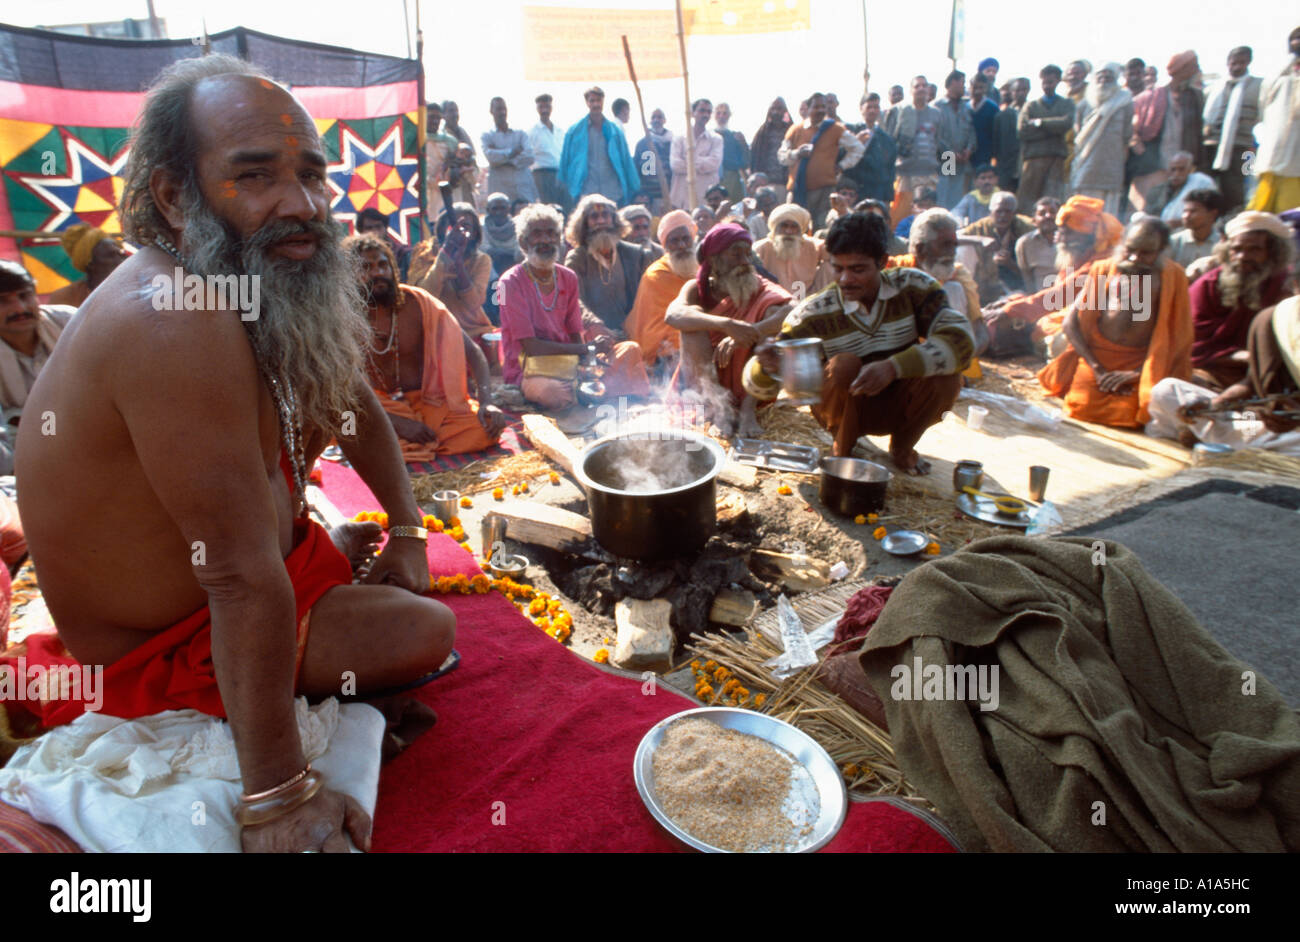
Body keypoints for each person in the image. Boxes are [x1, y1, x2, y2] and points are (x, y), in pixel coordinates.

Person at [16, 55, 455, 853]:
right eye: (256, 177)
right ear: (176, 196)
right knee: (422, 632)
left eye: (312, 175)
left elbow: (349, 403)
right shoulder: (172, 313)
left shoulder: (243, 282)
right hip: (161, 646)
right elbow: (235, 575)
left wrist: (411, 530)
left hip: (239, 574)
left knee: (398, 602)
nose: (302, 205)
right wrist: (280, 800)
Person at [745, 212, 972, 473]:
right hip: (844, 409)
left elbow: (961, 342)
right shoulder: (812, 313)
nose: (845, 280)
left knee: (948, 378)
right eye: (837, 268)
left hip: (901, 402)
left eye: (858, 269)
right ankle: (842, 447)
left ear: (883, 262)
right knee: (844, 365)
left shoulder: (914, 287)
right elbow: (758, 387)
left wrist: (892, 367)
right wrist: (767, 366)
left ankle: (903, 446)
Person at [347, 234, 504, 460]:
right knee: (348, 429)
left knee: (484, 429)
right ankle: (400, 441)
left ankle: (409, 444)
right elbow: (340, 392)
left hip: (427, 403)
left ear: (392, 267)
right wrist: (397, 423)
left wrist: (487, 402)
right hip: (372, 410)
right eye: (366, 267)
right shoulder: (343, 317)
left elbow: (473, 353)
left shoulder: (419, 303)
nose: (377, 273)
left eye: (383, 265)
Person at [1038, 217, 1193, 428]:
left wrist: (1137, 373)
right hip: (1097, 359)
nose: (1135, 257)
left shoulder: (1174, 277)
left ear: (1161, 250)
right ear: (1122, 243)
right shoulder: (1102, 270)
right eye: (1130, 249)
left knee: (1133, 417)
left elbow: (1178, 337)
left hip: (1142, 363)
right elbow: (1070, 324)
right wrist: (1097, 368)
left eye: (1146, 253)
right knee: (1082, 407)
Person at [498, 204, 649, 409]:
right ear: (523, 243)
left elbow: (574, 330)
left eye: (551, 233)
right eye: (537, 234)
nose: (545, 240)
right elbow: (531, 346)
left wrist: (587, 358)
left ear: (560, 240)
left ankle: (588, 391)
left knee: (630, 349)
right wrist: (585, 349)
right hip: (530, 369)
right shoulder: (509, 282)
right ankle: (592, 392)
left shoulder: (567, 277)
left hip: (570, 364)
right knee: (553, 394)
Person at [665, 223, 793, 437]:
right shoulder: (696, 289)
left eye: (747, 254)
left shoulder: (760, 286)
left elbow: (792, 311)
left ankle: (747, 410)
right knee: (692, 325)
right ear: (715, 261)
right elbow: (673, 315)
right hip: (707, 380)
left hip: (748, 380)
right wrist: (726, 325)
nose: (744, 262)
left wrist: (750, 330)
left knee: (772, 318)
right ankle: (719, 412)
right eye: (735, 255)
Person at [1146, 294, 1300, 454]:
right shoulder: (1279, 319)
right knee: (1166, 390)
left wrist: (1294, 419)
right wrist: (1216, 404)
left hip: (1291, 433)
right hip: (1253, 420)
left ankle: (1209, 438)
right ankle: (1223, 441)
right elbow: (1251, 382)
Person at [983, 194, 1123, 357]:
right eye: (1060, 231)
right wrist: (1011, 303)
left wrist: (1010, 310)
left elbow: (1062, 295)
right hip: (1071, 313)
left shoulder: (1103, 260)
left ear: (1089, 236)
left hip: (1102, 328)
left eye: (1067, 233)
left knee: (1058, 342)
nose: (1060, 238)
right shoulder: (1083, 253)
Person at [1187, 211, 1294, 389]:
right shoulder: (1206, 285)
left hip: (1270, 376)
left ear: (1273, 252)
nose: (1243, 257)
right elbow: (1194, 344)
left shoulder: (1285, 284)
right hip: (1213, 372)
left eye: (1254, 249)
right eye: (1236, 250)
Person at [885, 207, 988, 377]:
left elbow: (979, 330)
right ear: (920, 249)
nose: (953, 252)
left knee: (953, 290)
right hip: (897, 363)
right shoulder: (893, 271)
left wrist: (959, 355)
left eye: (954, 245)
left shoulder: (958, 275)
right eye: (945, 245)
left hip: (945, 364)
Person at [0, 260, 75, 475]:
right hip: (25, 457)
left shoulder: (68, 321)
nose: (19, 308)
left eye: (24, 296)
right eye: (3, 301)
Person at [564, 194, 656, 337]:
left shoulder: (636, 255)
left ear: (614, 221)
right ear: (585, 224)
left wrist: (632, 329)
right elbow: (574, 300)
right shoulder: (577, 259)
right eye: (594, 217)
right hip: (595, 335)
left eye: (605, 215)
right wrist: (593, 323)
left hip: (635, 332)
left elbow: (648, 298)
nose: (601, 221)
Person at [1128, 52, 1206, 211]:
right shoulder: (1151, 97)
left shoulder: (1196, 96)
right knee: (1146, 208)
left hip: (1183, 163)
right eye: (1193, 68)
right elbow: (1131, 123)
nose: (1196, 71)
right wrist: (1135, 140)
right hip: (1152, 164)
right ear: (1182, 70)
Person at [625, 211, 699, 370]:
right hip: (665, 357)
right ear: (665, 246)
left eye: (686, 239)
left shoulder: (702, 268)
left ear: (693, 239)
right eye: (674, 241)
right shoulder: (656, 275)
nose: (682, 246)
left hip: (702, 343)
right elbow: (657, 329)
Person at [780, 92, 863, 229]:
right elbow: (782, 157)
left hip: (824, 191)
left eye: (823, 107)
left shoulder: (835, 129)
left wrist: (842, 165)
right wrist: (797, 153)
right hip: (798, 190)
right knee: (795, 226)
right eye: (816, 107)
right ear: (807, 108)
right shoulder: (795, 130)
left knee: (823, 227)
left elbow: (858, 148)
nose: (820, 110)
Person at [418, 203, 494, 341]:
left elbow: (474, 303)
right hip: (435, 330)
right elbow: (422, 297)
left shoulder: (482, 260)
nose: (458, 231)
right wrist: (444, 255)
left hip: (473, 330)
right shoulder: (423, 255)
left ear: (475, 233)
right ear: (442, 229)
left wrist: (459, 265)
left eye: (465, 226)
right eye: (452, 226)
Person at [1202, 47, 1262, 213]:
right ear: (1228, 63)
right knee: (1207, 189)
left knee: (1237, 189)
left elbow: (1262, 115)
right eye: (1233, 63)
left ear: (1248, 62)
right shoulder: (1214, 88)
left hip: (1243, 147)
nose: (1236, 67)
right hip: (1211, 145)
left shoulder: (1258, 86)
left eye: (1241, 63)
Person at [1070, 63, 1134, 217]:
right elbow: (1078, 133)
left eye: (1108, 77)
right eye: (1100, 77)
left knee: (1107, 211)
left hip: (1112, 163)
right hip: (1086, 161)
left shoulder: (1124, 102)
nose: (1104, 80)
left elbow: (1127, 134)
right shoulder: (1084, 103)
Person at [1247, 27, 1300, 213]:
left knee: (1291, 220)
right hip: (1271, 160)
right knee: (1258, 216)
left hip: (1296, 167)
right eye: (1295, 39)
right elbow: (1263, 107)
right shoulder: (1278, 76)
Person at [559, 87, 640, 207]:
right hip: (586, 191)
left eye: (598, 100)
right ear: (587, 102)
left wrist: (635, 187)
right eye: (592, 101)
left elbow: (626, 160)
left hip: (612, 191)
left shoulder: (615, 132)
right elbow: (564, 161)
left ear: (603, 101)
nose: (595, 104)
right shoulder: (574, 132)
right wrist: (566, 186)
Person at [1018, 65, 1074, 205]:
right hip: (1033, 158)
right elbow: (1022, 130)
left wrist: (1040, 123)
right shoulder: (1031, 106)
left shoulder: (1066, 103)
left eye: (1051, 82)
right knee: (1027, 200)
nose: (1047, 85)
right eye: (1044, 82)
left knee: (1052, 200)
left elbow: (1066, 123)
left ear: (1057, 81)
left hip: (1056, 158)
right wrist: (1053, 130)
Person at [963, 190, 1034, 298]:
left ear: (1014, 213)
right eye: (999, 211)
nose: (1003, 216)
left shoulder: (1027, 227)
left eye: (1007, 211)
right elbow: (955, 238)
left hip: (1019, 283)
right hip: (986, 283)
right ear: (991, 212)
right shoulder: (981, 227)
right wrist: (981, 240)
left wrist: (1010, 263)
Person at [753, 203, 832, 299]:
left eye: (793, 227)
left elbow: (835, 251)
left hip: (806, 299)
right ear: (775, 228)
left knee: (829, 266)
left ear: (801, 229)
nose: (788, 231)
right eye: (784, 226)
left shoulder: (812, 246)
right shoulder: (762, 248)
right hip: (773, 300)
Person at [45, 225, 129, 307]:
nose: (122, 260)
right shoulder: (66, 298)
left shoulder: (135, 289)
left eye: (121, 254)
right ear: (91, 264)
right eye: (111, 255)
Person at [892, 76, 945, 198]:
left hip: (929, 174)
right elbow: (891, 142)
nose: (921, 89)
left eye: (924, 86)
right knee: (902, 214)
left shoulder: (937, 113)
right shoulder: (900, 111)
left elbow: (943, 144)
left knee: (926, 213)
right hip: (905, 174)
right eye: (917, 86)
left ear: (928, 89)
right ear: (911, 91)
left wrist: (948, 173)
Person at [670, 99, 725, 211]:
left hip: (706, 198)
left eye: (709, 112)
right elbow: (675, 165)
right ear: (693, 113)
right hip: (681, 198)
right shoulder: (679, 138)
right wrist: (702, 163)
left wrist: (688, 160)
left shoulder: (716, 139)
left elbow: (714, 164)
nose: (705, 115)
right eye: (701, 111)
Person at [843, 92, 897, 205]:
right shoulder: (850, 131)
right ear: (861, 108)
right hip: (853, 191)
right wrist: (855, 142)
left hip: (876, 192)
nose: (872, 110)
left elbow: (889, 170)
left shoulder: (886, 139)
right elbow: (840, 157)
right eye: (869, 107)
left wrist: (888, 197)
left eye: (876, 107)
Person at [481, 97, 536, 203]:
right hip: (501, 189)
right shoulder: (487, 136)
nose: (502, 112)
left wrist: (503, 158)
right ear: (491, 111)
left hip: (523, 188)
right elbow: (491, 157)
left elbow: (530, 157)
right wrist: (512, 152)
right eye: (498, 109)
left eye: (504, 109)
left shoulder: (520, 134)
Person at [935, 71, 977, 208]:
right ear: (952, 83)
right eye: (962, 83)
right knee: (945, 195)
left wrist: (969, 149)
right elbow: (936, 135)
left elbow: (971, 131)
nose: (964, 87)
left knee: (959, 195)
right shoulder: (938, 106)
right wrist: (950, 153)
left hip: (963, 159)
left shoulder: (965, 107)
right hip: (947, 157)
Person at [1142, 151, 1216, 225]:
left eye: (1181, 169)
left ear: (1191, 170)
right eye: (1173, 169)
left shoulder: (1200, 184)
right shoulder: (1157, 191)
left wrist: (1179, 223)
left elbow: (1208, 214)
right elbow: (1150, 217)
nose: (1176, 174)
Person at [1168, 188, 1224, 269]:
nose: (1186, 216)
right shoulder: (1172, 243)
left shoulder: (1221, 243)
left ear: (1212, 214)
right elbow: (1148, 273)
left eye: (1193, 211)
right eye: (1185, 211)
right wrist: (1146, 282)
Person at [1015, 196, 1061, 292]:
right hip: (1041, 300)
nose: (1048, 216)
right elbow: (1027, 278)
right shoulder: (1025, 243)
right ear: (1034, 220)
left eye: (1052, 212)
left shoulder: (1071, 241)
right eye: (1042, 213)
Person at [424, 101, 461, 221]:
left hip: (446, 194)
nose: (435, 121)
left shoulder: (450, 141)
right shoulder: (417, 141)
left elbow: (461, 163)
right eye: (431, 117)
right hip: (425, 194)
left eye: (438, 118)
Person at [528, 93, 566, 208]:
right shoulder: (532, 132)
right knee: (548, 209)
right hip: (542, 176)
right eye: (541, 107)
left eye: (547, 107)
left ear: (551, 108)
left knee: (564, 209)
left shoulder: (560, 131)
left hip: (560, 175)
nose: (544, 110)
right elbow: (528, 157)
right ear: (537, 109)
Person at [992, 77, 1029, 192]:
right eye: (1017, 90)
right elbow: (995, 144)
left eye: (1024, 90)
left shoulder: (1034, 111)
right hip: (1006, 167)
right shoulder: (1002, 115)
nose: (1021, 93)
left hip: (1026, 164)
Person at [355, 208, 412, 282]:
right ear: (361, 231)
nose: (375, 232)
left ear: (385, 228)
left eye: (378, 226)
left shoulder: (403, 253)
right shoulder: (355, 257)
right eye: (369, 228)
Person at [634, 108, 674, 214]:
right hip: (649, 197)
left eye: (659, 117)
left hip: (668, 195)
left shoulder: (672, 142)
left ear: (664, 120)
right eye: (653, 117)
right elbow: (637, 170)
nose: (656, 120)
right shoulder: (642, 143)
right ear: (650, 121)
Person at [441, 100, 478, 206]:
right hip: (451, 187)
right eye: (451, 111)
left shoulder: (463, 133)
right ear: (443, 115)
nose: (455, 114)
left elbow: (473, 157)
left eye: (456, 111)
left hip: (466, 185)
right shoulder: (442, 136)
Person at [480, 192, 524, 279]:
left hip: (515, 266)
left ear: (509, 208)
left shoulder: (519, 226)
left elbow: (520, 250)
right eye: (494, 209)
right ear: (488, 210)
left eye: (502, 208)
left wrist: (499, 252)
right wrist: (504, 253)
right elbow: (484, 248)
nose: (498, 212)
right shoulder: (481, 227)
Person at [751, 97, 792, 188]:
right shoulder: (762, 133)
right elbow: (754, 158)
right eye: (773, 109)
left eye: (779, 109)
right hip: (765, 184)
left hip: (785, 183)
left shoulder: (791, 131)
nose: (776, 112)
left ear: (785, 111)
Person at [713, 102, 750, 201]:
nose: (721, 116)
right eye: (718, 113)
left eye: (725, 113)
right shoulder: (709, 136)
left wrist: (742, 144)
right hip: (711, 176)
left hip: (731, 177)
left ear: (729, 115)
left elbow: (745, 162)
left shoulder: (735, 136)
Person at [969, 73, 999, 170]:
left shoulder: (993, 108)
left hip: (984, 156)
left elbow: (996, 136)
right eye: (974, 87)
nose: (977, 91)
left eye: (981, 88)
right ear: (970, 87)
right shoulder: (963, 107)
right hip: (964, 157)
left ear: (986, 89)